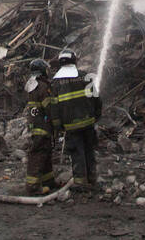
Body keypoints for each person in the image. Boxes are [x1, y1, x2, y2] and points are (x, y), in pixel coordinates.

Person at [49, 49, 102, 191]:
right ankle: (92, 179)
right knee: (89, 150)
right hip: (88, 122)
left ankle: (80, 182)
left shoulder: (56, 83)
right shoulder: (85, 76)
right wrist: (96, 115)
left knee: (77, 152)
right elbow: (96, 98)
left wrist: (57, 125)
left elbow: (54, 106)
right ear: (74, 60)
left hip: (71, 126)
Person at [23, 58, 56, 195]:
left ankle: (49, 182)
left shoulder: (32, 85)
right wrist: (57, 120)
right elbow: (49, 107)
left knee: (45, 154)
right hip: (42, 126)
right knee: (38, 155)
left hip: (36, 125)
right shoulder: (42, 86)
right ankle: (33, 187)